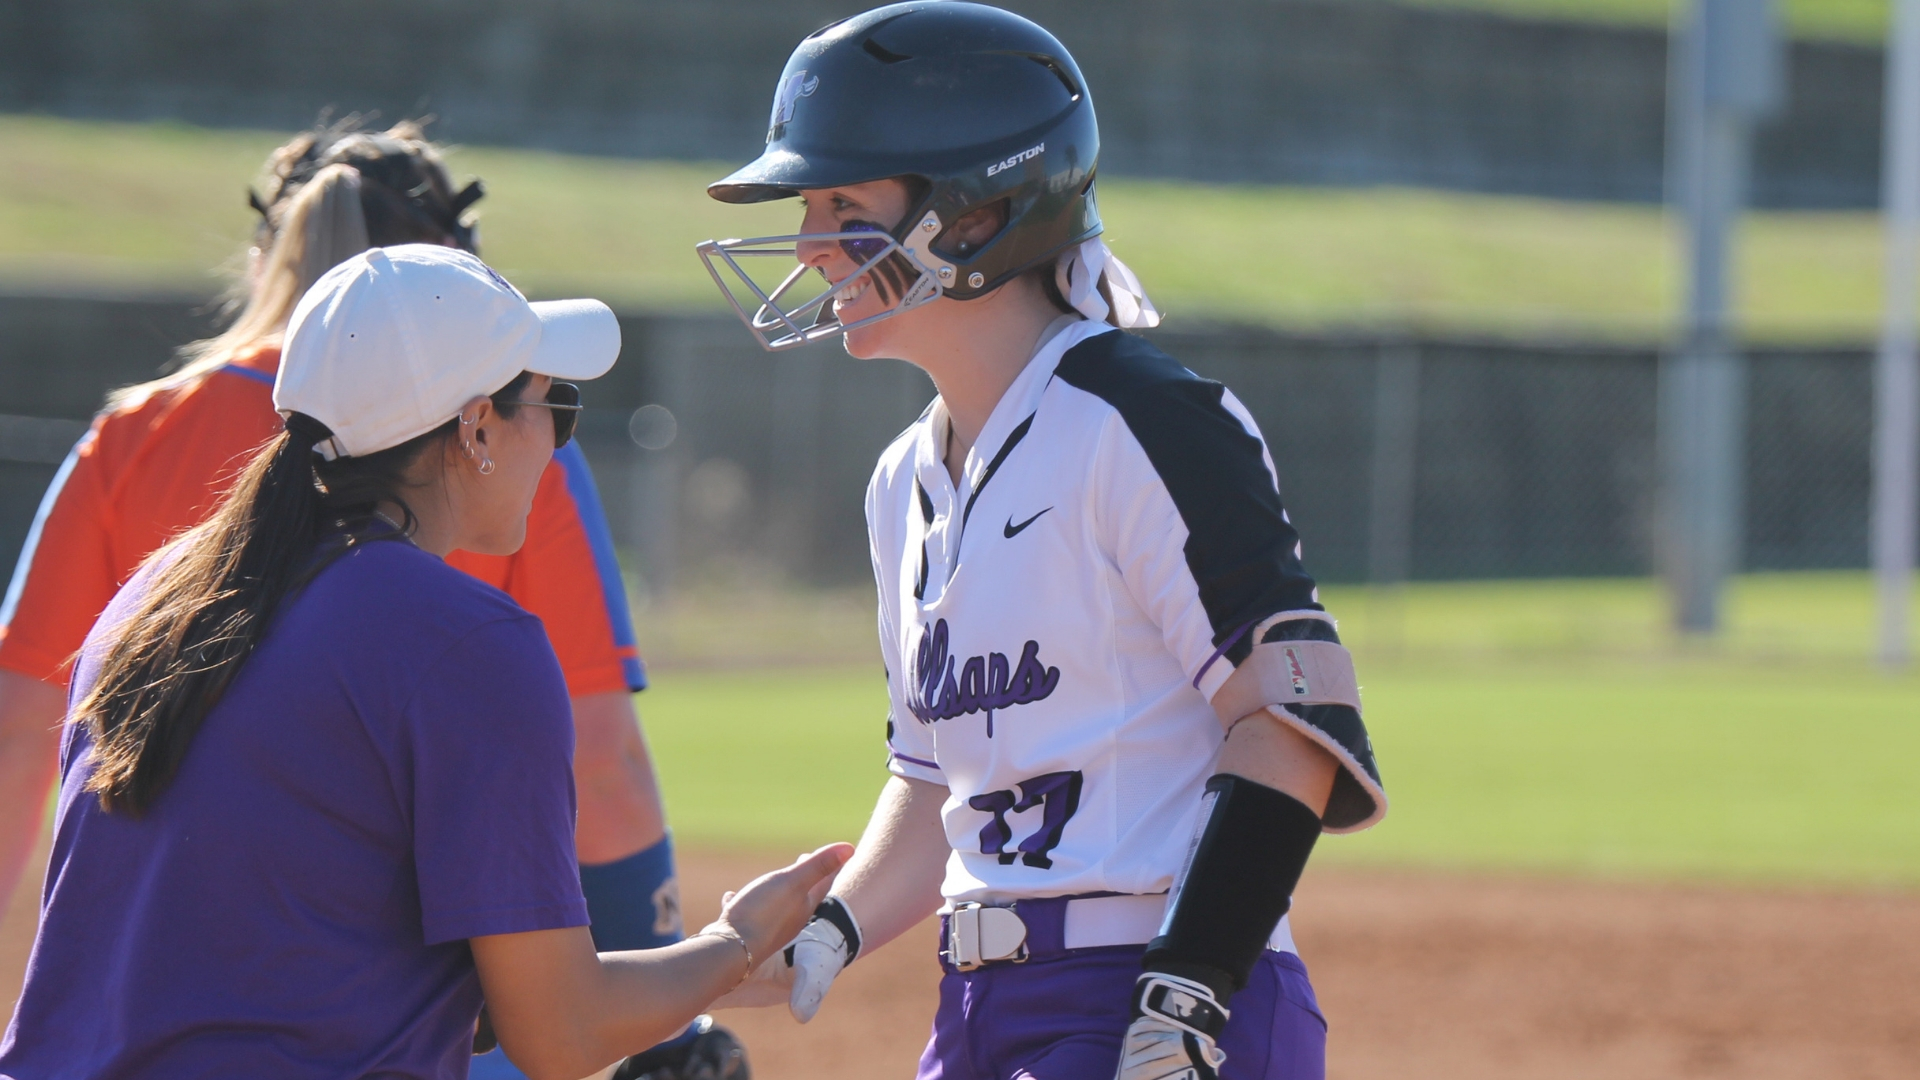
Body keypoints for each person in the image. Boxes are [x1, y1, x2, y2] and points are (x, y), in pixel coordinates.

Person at [697, 6, 1387, 1080]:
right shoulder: (905, 480)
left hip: (1153, 994)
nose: (807, 243)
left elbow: (1292, 719)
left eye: (843, 203)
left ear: (975, 217)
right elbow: (936, 785)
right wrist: (825, 932)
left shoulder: (1142, 419)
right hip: (977, 1010)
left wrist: (1186, 1000)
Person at [0, 243, 852, 1079]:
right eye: (556, 404)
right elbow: (560, 1036)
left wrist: (689, 979)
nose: (560, 438)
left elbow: (272, 943)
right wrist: (735, 943)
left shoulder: (156, 595)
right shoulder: (469, 642)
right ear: (478, 425)